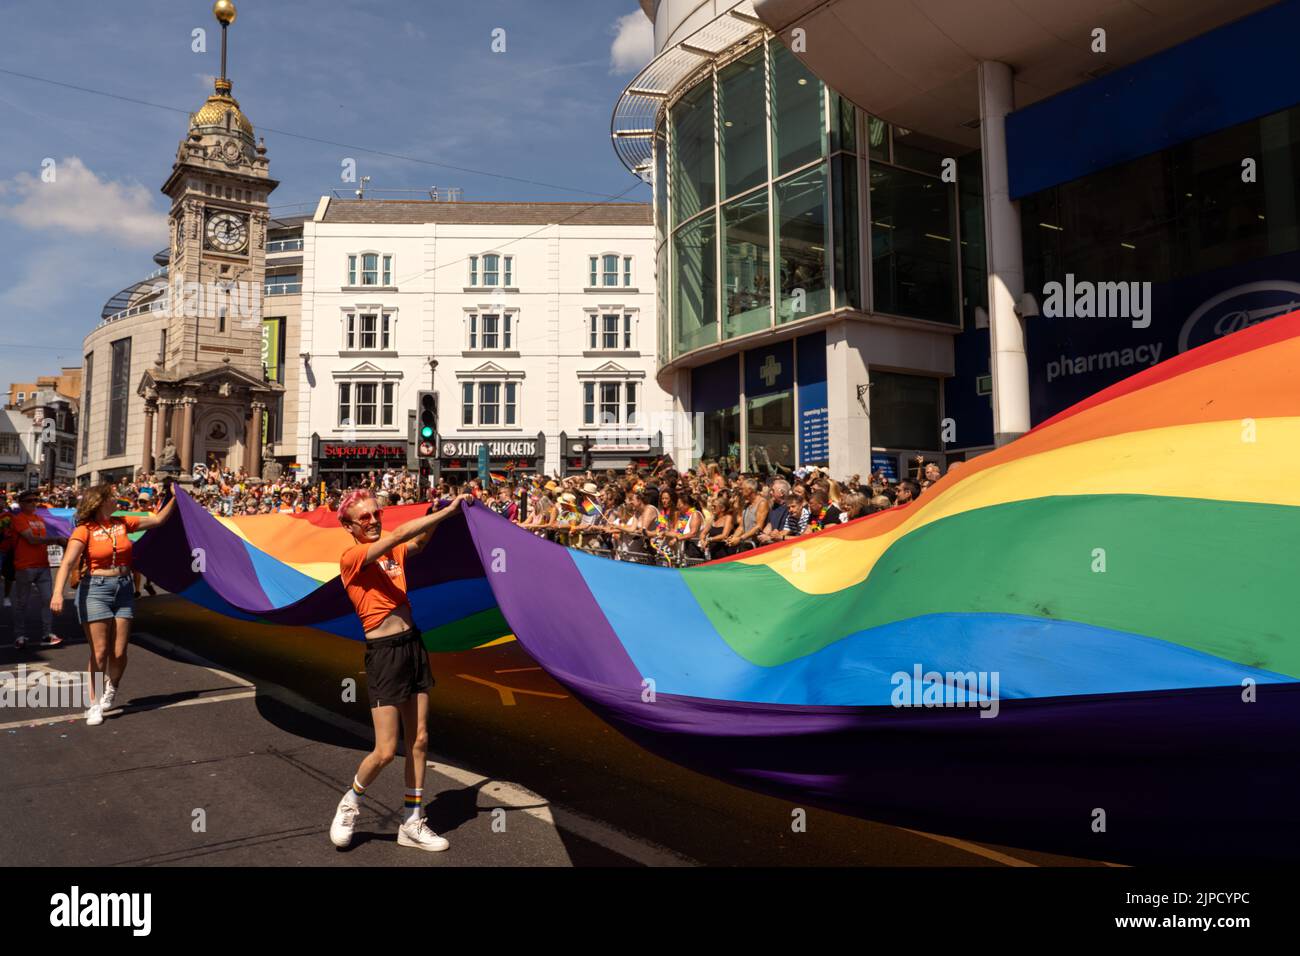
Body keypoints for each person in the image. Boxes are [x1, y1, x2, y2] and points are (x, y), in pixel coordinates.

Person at [328, 488, 474, 853]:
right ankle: (350, 802)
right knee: (385, 750)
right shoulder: (352, 557)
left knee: (420, 740)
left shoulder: (390, 550)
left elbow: (417, 545)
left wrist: (440, 516)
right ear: (349, 527)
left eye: (377, 514)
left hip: (413, 646)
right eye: (365, 518)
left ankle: (412, 822)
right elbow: (399, 536)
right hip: (384, 655)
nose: (375, 521)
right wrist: (448, 513)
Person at [51, 481, 177, 725]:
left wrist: (176, 499)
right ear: (100, 501)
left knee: (119, 652)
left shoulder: (122, 522)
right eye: (113, 496)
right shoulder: (84, 529)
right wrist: (57, 593)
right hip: (95, 590)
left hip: (124, 588)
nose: (117, 498)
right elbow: (67, 563)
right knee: (99, 652)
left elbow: (158, 521)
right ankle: (95, 703)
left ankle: (112, 686)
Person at [11, 489, 68, 649]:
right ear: (21, 503)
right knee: (22, 603)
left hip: (43, 565)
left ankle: (47, 634)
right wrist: (56, 539)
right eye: (29, 501)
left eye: (35, 500)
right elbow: (31, 539)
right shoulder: (19, 519)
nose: (33, 503)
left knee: (48, 600)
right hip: (25, 566)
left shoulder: (39, 518)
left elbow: (40, 538)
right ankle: (20, 636)